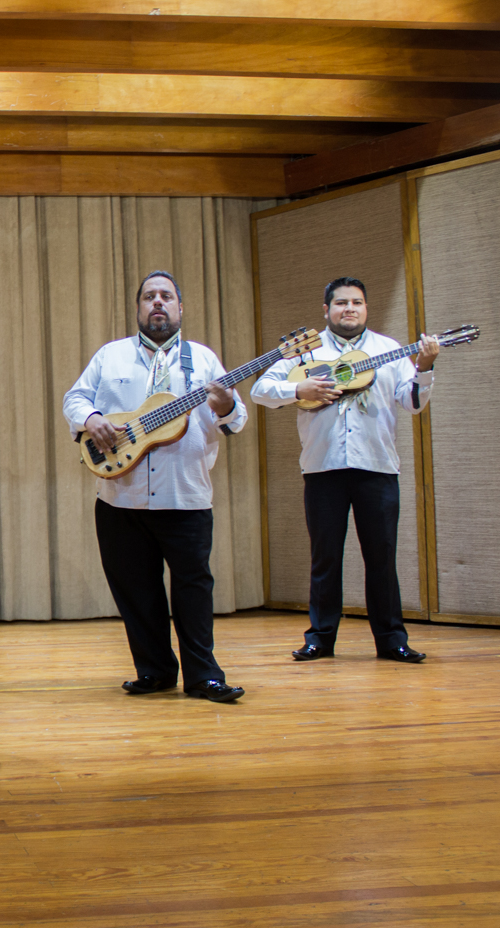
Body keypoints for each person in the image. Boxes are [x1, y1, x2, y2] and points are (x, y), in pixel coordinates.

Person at [62, 271, 249, 703]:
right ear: (139, 308)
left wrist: (226, 405)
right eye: (149, 297)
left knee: (193, 591)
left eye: (166, 296)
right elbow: (75, 398)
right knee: (136, 591)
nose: (158, 303)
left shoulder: (203, 360)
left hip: (185, 496)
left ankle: (204, 676)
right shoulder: (111, 356)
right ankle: (155, 671)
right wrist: (91, 419)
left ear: (181, 308)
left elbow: (236, 421)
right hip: (120, 498)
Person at [250, 277, 438, 664]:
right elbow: (260, 390)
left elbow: (413, 403)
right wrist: (298, 390)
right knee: (325, 558)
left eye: (356, 302)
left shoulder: (388, 350)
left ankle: (392, 640)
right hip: (323, 469)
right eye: (340, 303)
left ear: (366, 308)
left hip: (377, 468)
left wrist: (425, 367)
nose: (349, 309)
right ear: (326, 310)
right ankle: (320, 639)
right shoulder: (305, 350)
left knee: (382, 558)